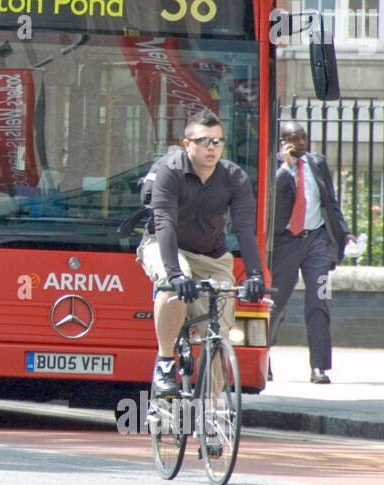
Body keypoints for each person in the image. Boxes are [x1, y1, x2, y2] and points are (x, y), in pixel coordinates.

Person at [137, 109, 266, 396]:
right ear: (187, 144)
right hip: (163, 245)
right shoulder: (170, 172)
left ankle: (209, 417)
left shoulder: (234, 176)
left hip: (212, 255)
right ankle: (165, 362)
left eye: (218, 142)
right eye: (204, 141)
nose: (212, 148)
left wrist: (255, 274)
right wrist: (173, 274)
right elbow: (165, 224)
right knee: (174, 285)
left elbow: (245, 229)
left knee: (218, 336)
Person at [269, 122, 354, 384]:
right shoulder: (274, 167)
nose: (301, 143)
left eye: (303, 137)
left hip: (316, 241)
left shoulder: (317, 163)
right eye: (294, 138)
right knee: (274, 304)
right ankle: (263, 359)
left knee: (319, 301)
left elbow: (330, 201)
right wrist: (286, 167)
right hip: (285, 243)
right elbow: (269, 197)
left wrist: (345, 231)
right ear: (282, 142)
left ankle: (319, 367)